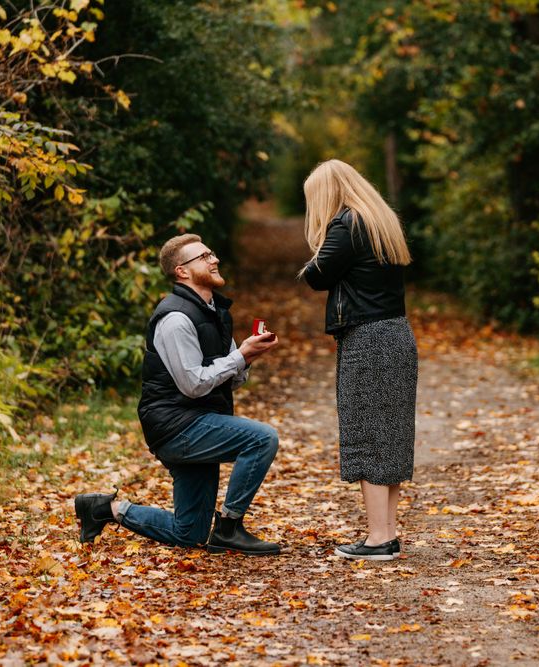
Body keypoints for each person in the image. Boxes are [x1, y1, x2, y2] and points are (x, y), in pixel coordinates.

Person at [74, 234, 282, 555]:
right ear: (182, 271)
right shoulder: (175, 318)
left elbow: (228, 381)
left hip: (199, 421)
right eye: (204, 257)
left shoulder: (216, 312)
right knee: (261, 439)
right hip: (177, 427)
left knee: (189, 533)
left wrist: (247, 357)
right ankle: (229, 528)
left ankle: (104, 509)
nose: (214, 260)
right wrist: (240, 355)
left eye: (212, 253)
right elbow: (193, 384)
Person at [300, 159, 417, 561]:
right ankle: (387, 533)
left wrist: (320, 239)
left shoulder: (347, 224)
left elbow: (316, 276)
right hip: (396, 333)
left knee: (367, 436)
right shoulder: (382, 221)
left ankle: (377, 538)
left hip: (368, 338)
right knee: (391, 437)